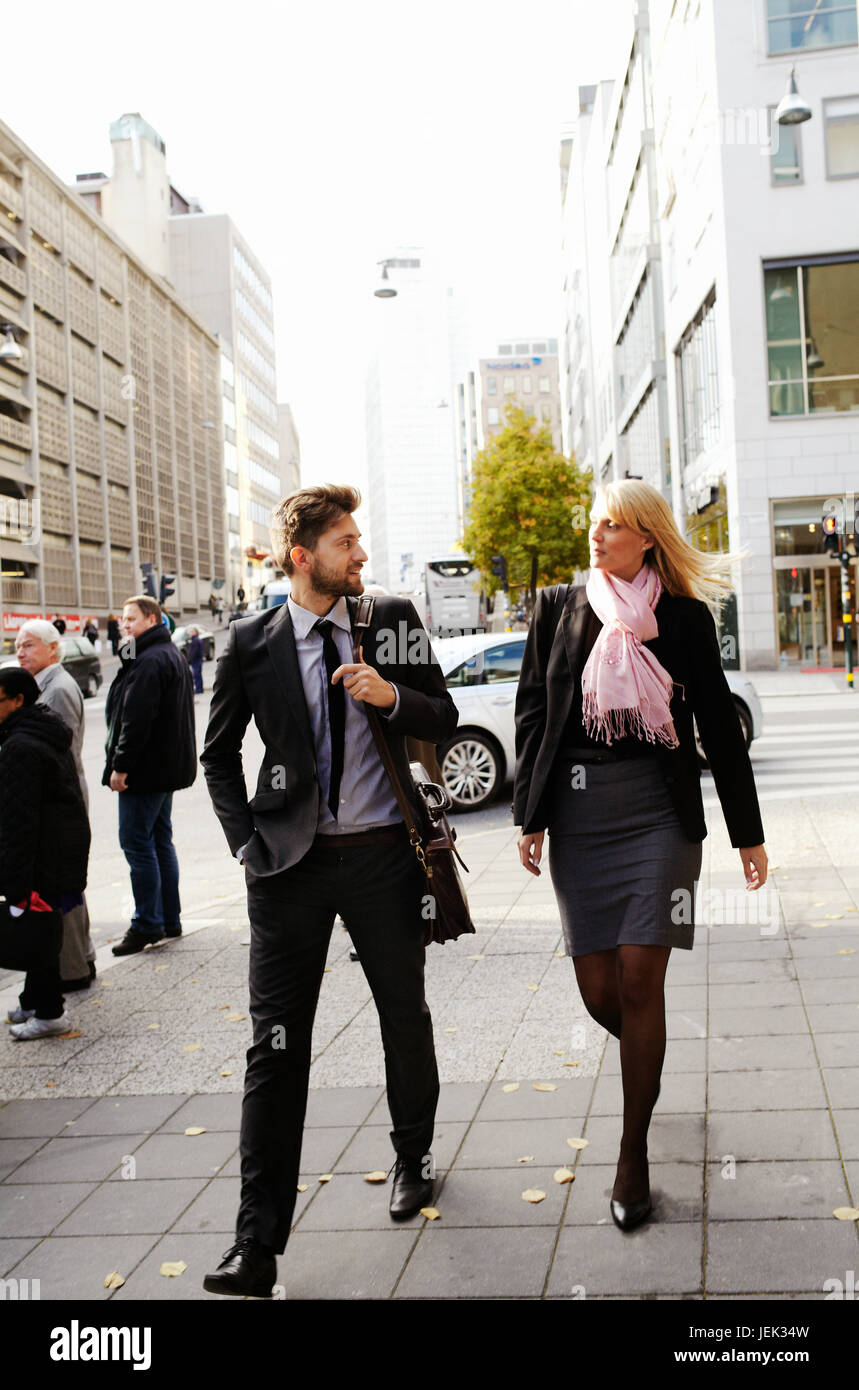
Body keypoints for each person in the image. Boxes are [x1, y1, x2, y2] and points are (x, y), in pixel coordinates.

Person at [200, 484, 458, 1298]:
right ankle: (255, 1245)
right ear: (303, 557)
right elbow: (217, 753)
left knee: (401, 1013)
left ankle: (412, 1157)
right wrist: (248, 842)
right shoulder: (251, 640)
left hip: (385, 857)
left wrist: (393, 695)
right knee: (273, 1049)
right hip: (289, 869)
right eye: (347, 543)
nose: (362, 555)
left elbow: (443, 715)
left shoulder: (390, 620)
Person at [514, 479, 766, 1233]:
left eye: (615, 527)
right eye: (595, 524)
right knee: (601, 994)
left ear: (647, 538)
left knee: (636, 977)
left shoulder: (681, 618)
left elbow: (718, 727)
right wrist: (528, 814)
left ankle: (631, 1158)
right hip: (580, 821)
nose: (598, 536)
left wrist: (746, 833)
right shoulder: (560, 607)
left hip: (658, 816)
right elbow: (535, 712)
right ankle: (646, 1063)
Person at [0, 668, 90, 1041]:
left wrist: (15, 880)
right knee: (42, 927)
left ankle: (51, 1013)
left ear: (17, 700)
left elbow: (19, 820)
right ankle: (34, 1000)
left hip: (44, 855)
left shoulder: (20, 746)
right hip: (59, 849)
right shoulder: (41, 732)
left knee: (39, 931)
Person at [103, 595, 196, 954]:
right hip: (163, 768)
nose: (124, 624)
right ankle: (168, 919)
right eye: (122, 619)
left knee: (137, 844)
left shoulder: (150, 659)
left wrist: (121, 766)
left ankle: (146, 923)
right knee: (158, 841)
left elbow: (135, 719)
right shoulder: (163, 653)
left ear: (153, 619)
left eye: (131, 619)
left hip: (144, 771)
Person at [15, 619, 96, 991]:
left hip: (60, 799)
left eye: (29, 645)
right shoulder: (44, 685)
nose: (20, 651)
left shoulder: (57, 688)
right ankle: (81, 958)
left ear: (52, 648)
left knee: (62, 887)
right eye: (17, 645)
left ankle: (73, 967)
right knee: (67, 885)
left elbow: (55, 752)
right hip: (59, 797)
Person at [187, 627, 204, 696]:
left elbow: (194, 651)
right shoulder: (197, 639)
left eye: (191, 632)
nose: (190, 633)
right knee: (198, 674)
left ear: (195, 632)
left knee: (197, 674)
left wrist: (190, 659)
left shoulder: (195, 640)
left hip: (196, 660)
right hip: (198, 659)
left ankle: (198, 689)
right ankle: (200, 688)